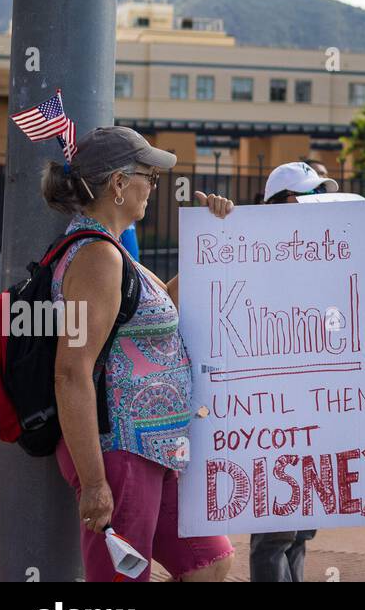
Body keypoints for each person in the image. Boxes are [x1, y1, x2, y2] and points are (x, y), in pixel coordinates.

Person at [45, 126, 236, 582]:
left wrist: (208, 239)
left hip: (152, 450)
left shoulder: (111, 251)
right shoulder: (96, 257)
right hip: (120, 452)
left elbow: (163, 307)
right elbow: (71, 371)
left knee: (210, 561)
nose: (154, 186)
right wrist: (94, 484)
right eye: (149, 176)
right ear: (117, 183)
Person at [245, 161, 340, 582]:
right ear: (282, 202)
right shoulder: (250, 249)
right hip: (271, 410)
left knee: (301, 527)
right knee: (275, 531)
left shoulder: (323, 250)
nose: (321, 202)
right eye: (311, 194)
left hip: (312, 407)